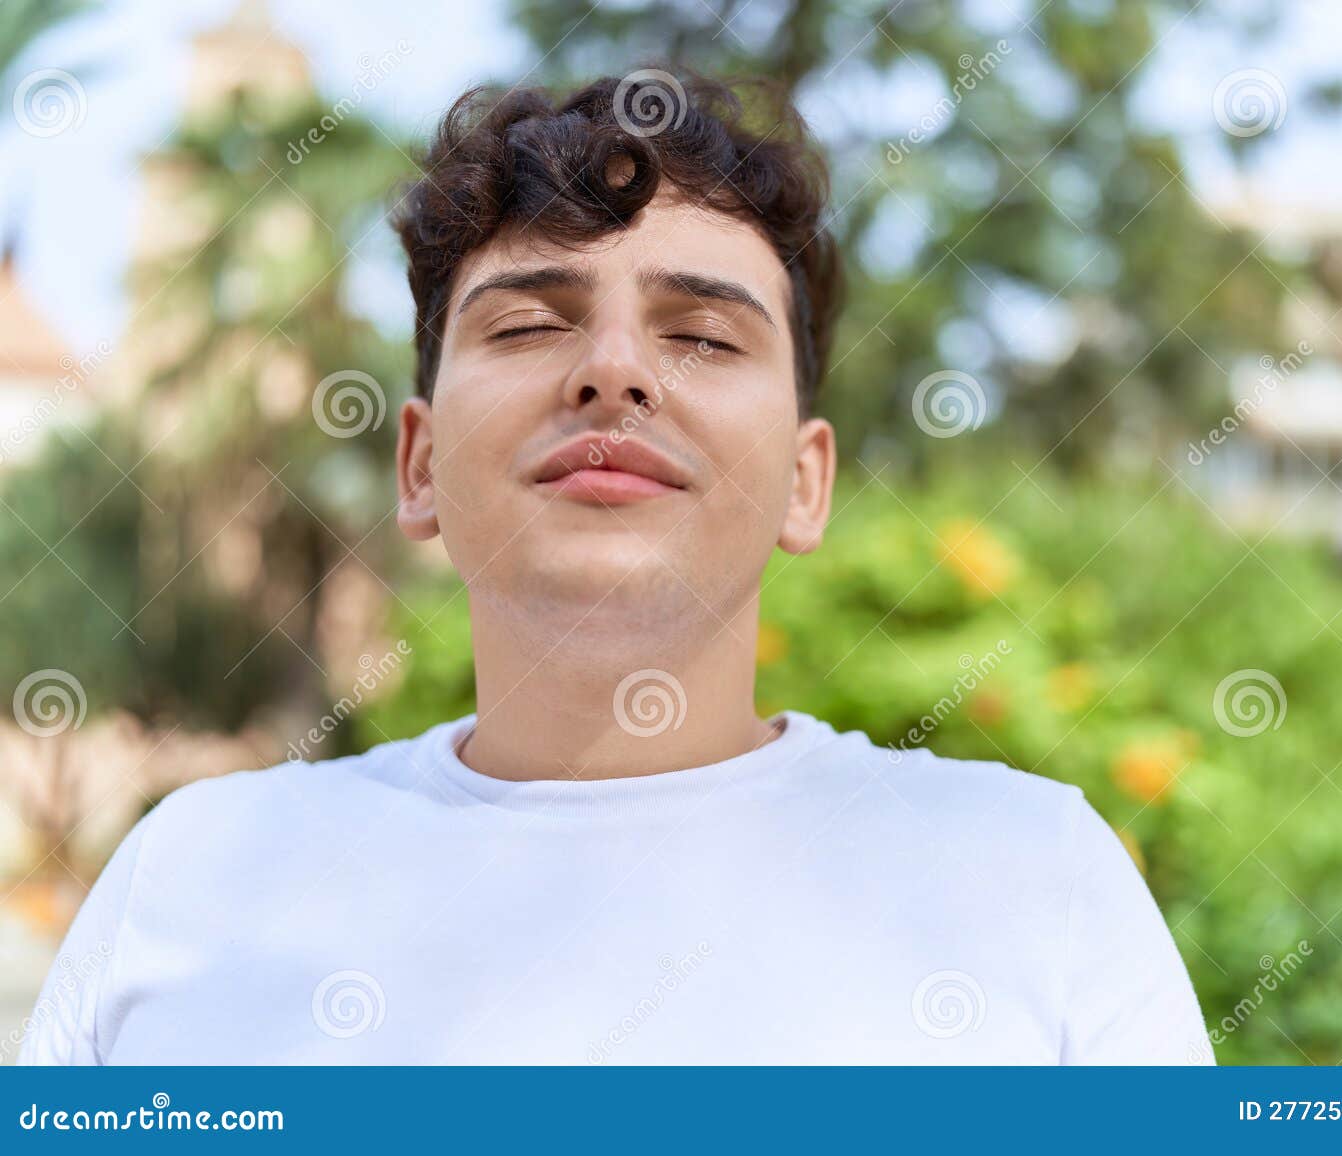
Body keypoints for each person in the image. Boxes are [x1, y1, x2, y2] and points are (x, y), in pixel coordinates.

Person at [19, 71, 1211, 1065]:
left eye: (700, 335)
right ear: (420, 464)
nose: (614, 372)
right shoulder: (189, 879)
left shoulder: (1035, 879)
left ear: (807, 481)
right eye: (531, 322)